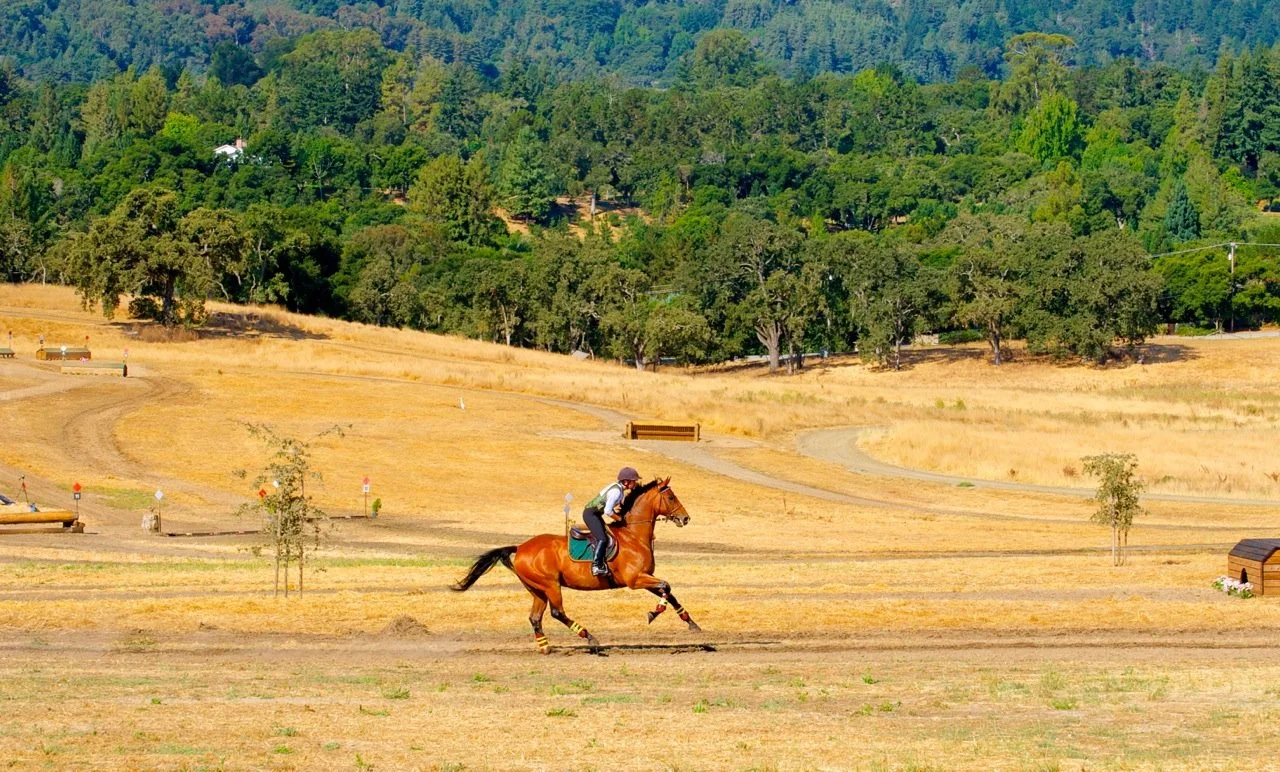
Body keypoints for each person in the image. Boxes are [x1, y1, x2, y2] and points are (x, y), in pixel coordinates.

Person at [583, 467, 641, 576]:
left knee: (608, 534)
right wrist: (620, 519)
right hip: (590, 515)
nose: (635, 483)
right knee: (602, 538)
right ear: (626, 481)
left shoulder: (618, 490)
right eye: (634, 481)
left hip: (595, 514)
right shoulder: (616, 491)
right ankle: (596, 566)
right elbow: (608, 511)